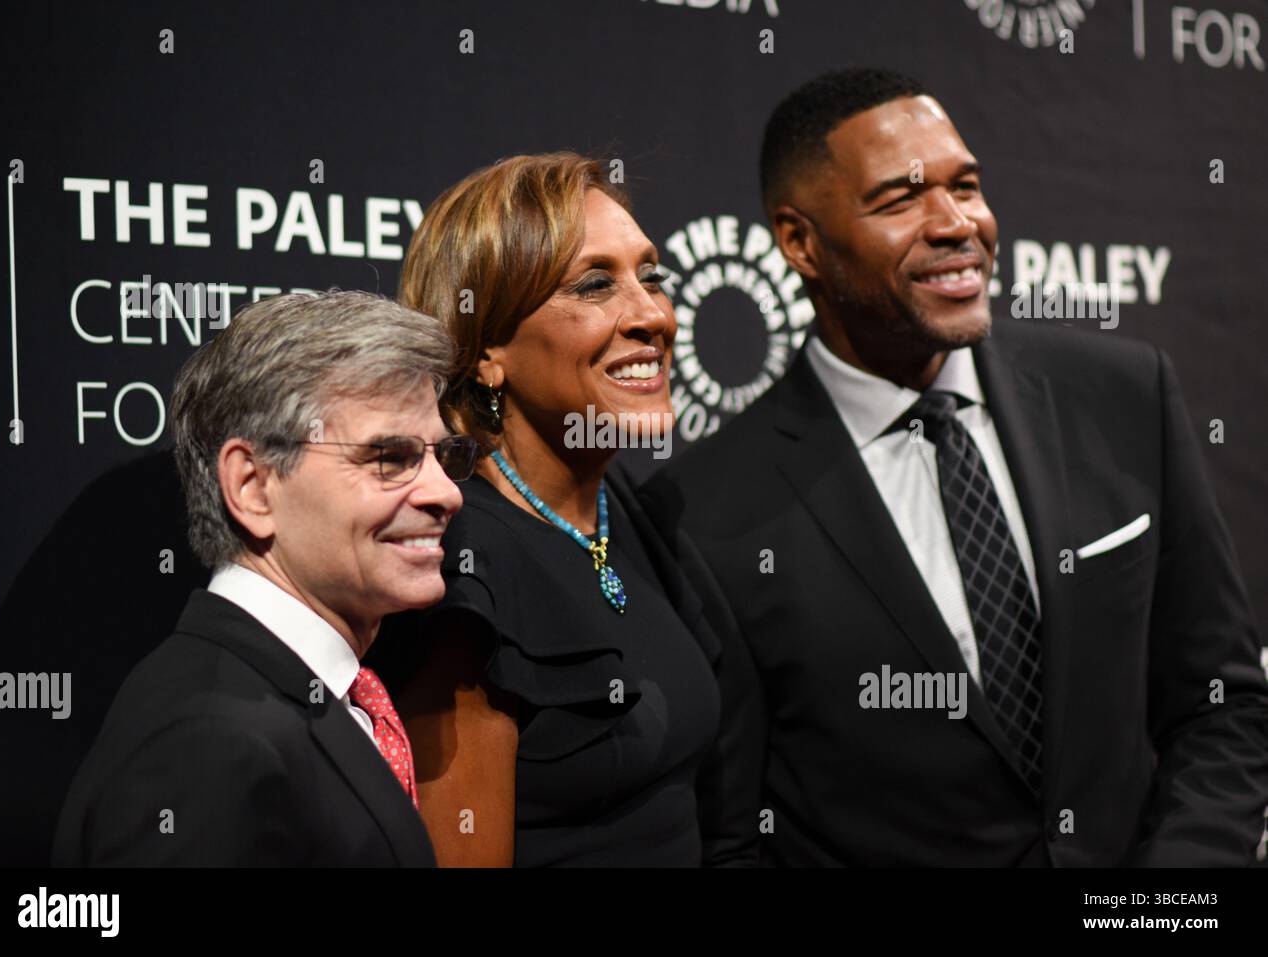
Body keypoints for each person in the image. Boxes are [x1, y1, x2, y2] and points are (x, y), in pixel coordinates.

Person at [640, 68, 1268, 866]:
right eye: (900, 200)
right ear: (799, 241)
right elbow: (733, 833)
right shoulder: (709, 509)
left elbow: (1220, 703)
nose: (956, 224)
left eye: (965, 185)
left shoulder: (1124, 396)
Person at [368, 153, 726, 867]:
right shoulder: (464, 567)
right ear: (487, 350)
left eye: (651, 276)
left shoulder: (625, 511)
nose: (652, 315)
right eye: (595, 284)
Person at [53, 290, 476, 866]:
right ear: (252, 487)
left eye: (441, 457)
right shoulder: (205, 744)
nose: (445, 493)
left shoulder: (300, 694)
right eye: (390, 458)